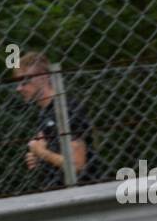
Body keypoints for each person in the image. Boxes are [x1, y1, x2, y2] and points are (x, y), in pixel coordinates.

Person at [13, 51, 103, 189]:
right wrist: (38, 158)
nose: (19, 88)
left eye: (25, 81)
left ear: (43, 77)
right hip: (60, 193)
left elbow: (77, 164)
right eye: (18, 82)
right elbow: (56, 154)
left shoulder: (66, 109)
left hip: (82, 193)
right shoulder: (44, 112)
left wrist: (42, 153)